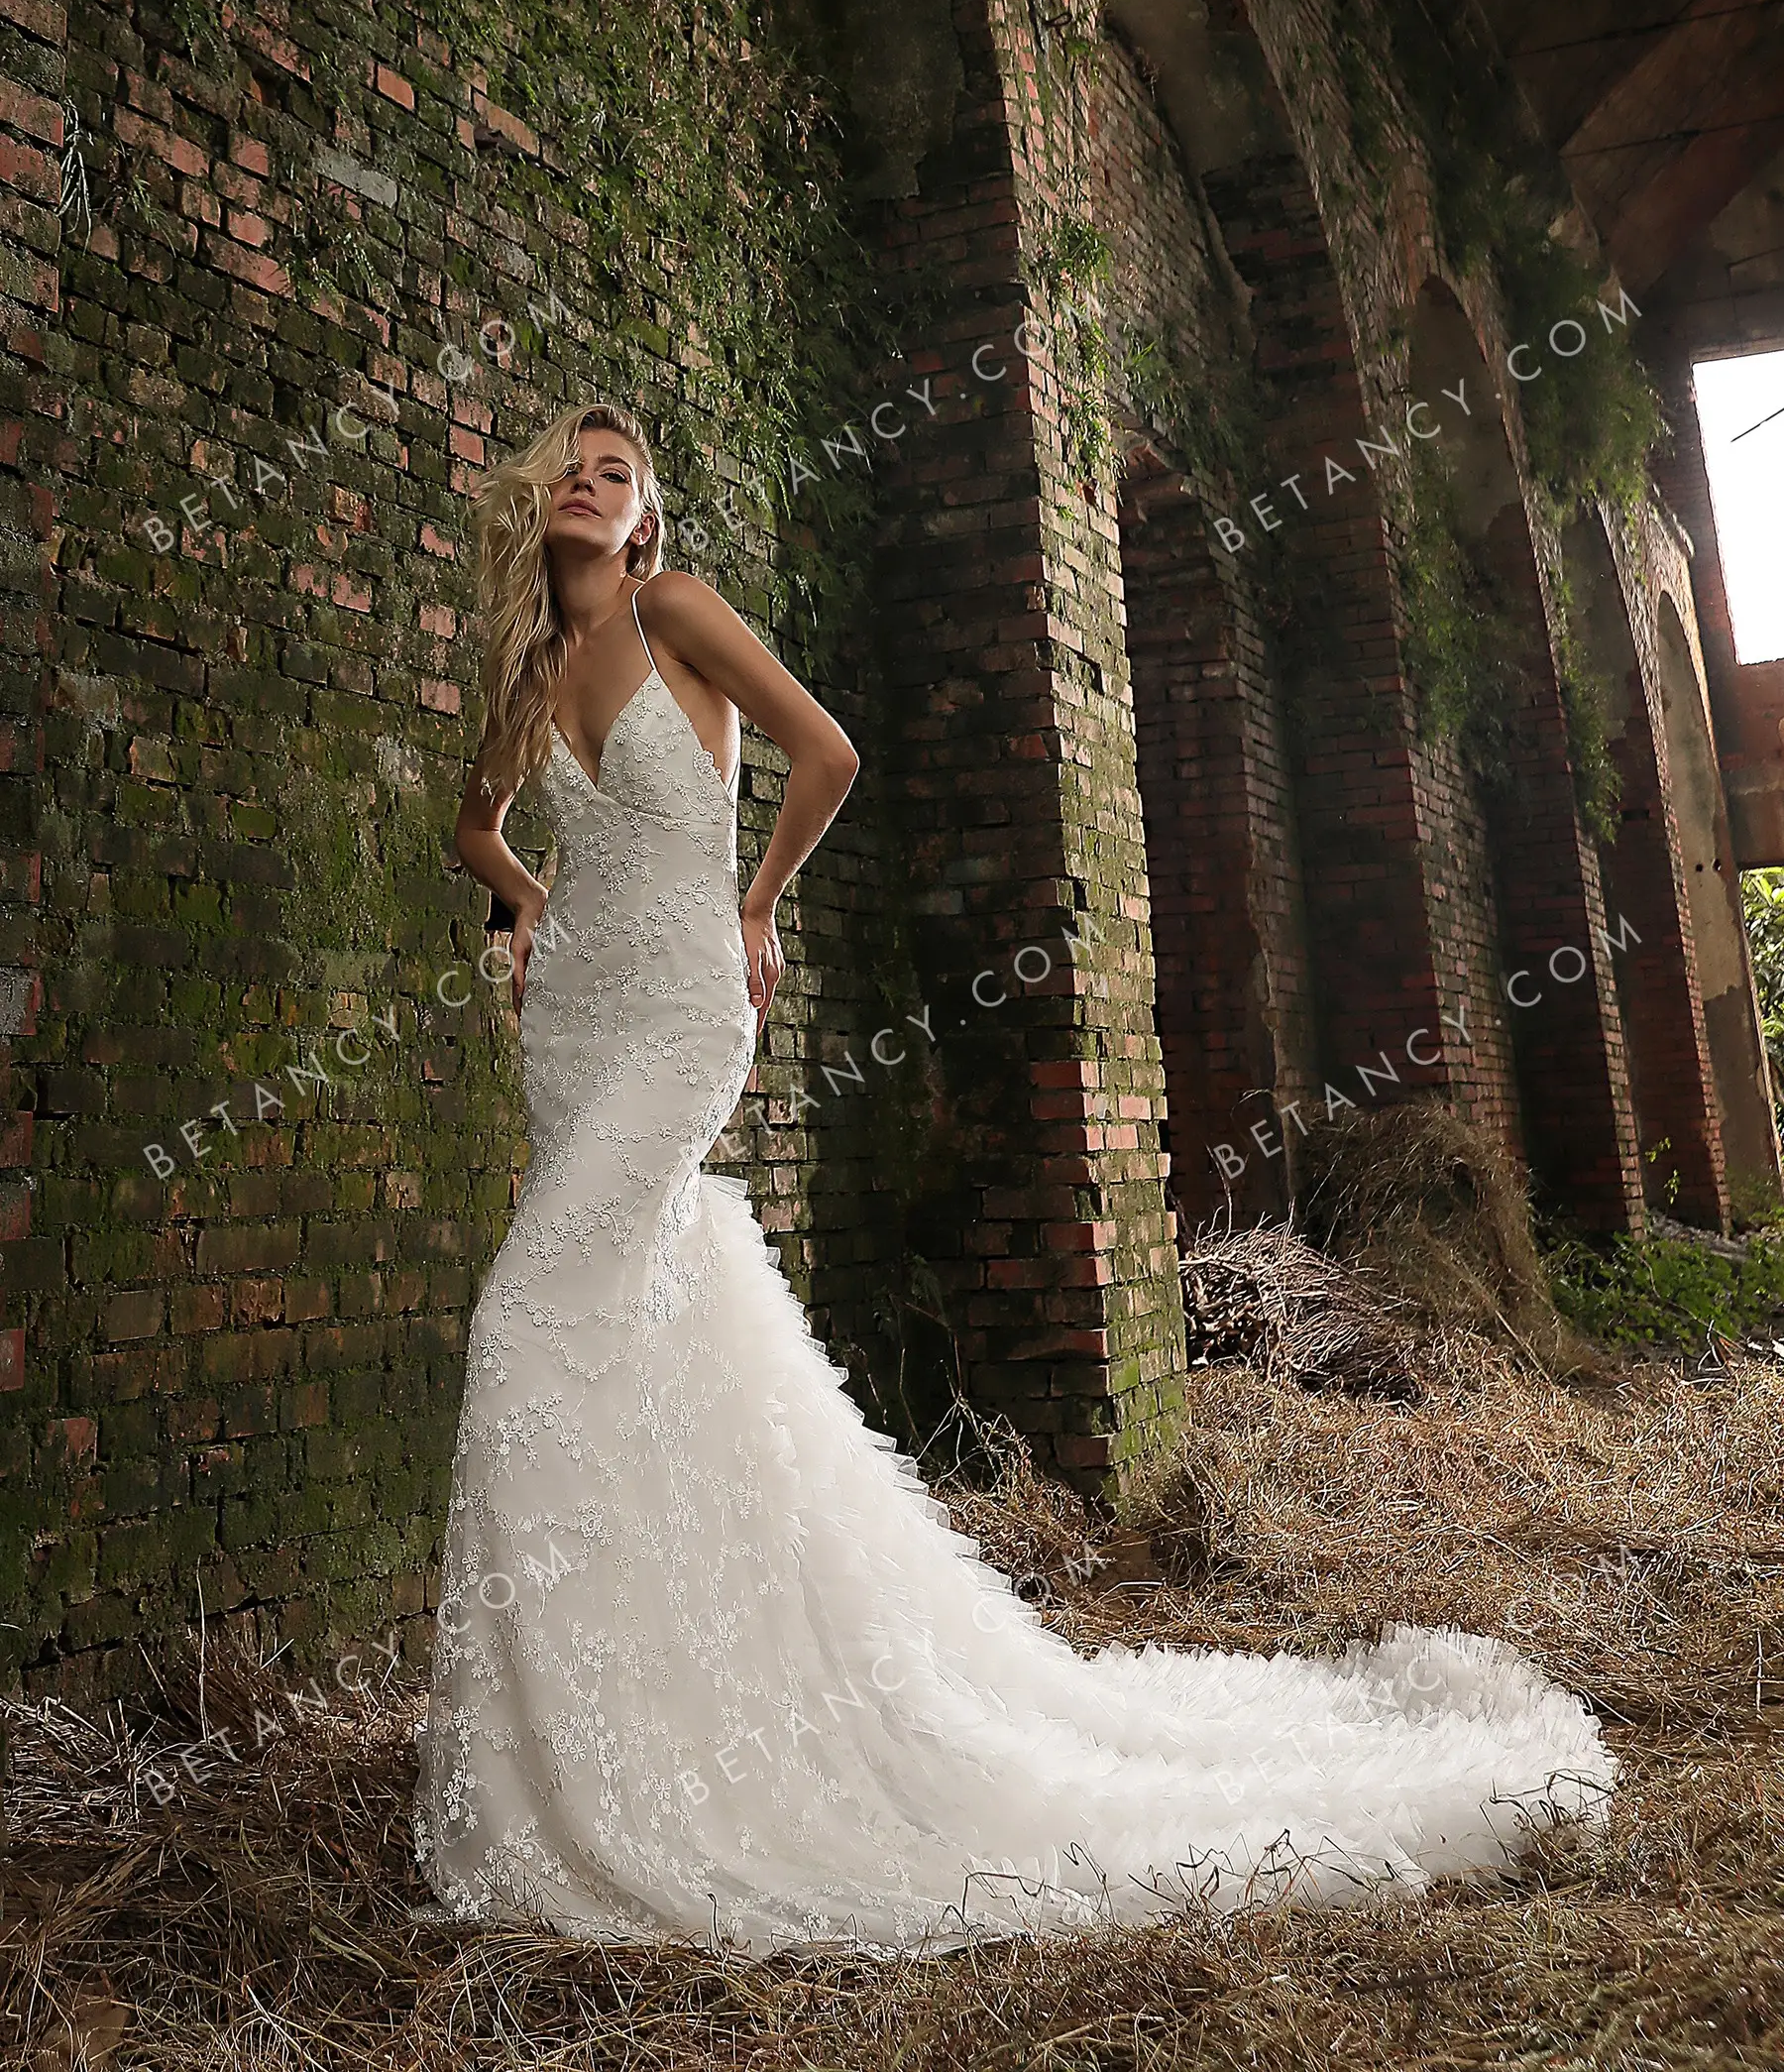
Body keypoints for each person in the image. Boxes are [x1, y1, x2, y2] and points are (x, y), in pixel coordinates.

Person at [415, 398, 1615, 1954]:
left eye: (618, 476)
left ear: (645, 520)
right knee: (629, 1348)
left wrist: (758, 907)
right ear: (544, 502)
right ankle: (656, 1696)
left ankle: (621, 1748)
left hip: (680, 1016)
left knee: (523, 1323)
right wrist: (526, 913)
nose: (589, 489)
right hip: (574, 1024)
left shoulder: (675, 612)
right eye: (571, 471)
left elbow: (825, 752)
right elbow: (474, 821)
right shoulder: (531, 669)